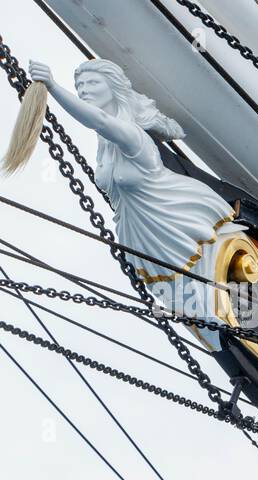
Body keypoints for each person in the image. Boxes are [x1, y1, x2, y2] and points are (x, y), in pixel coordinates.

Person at [29, 58, 242, 340]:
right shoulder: (103, 148)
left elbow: (102, 121)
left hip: (176, 220)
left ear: (113, 88)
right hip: (140, 235)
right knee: (189, 309)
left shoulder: (131, 135)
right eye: (79, 85)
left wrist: (53, 88)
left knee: (209, 301)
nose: (83, 89)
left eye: (92, 82)